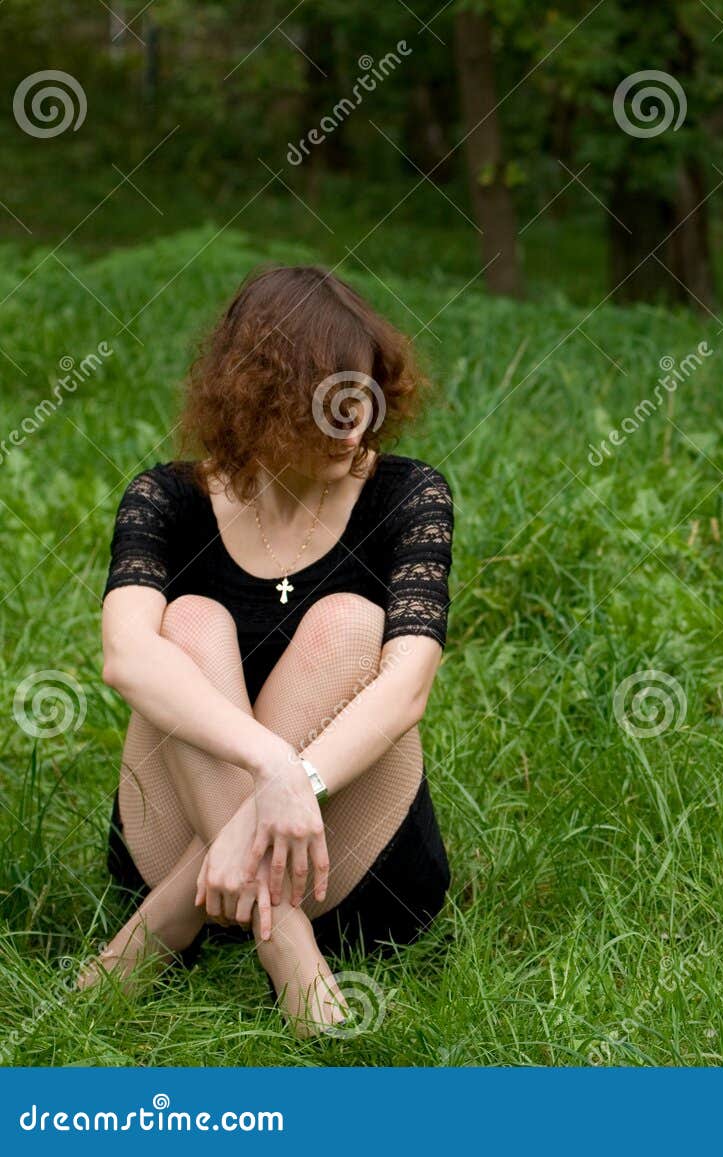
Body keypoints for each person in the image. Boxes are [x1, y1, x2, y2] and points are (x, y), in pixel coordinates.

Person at [82, 266, 453, 1036]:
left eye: (363, 396)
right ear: (256, 402)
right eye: (325, 401)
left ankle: (158, 930)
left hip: (348, 866)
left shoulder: (409, 495)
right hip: (179, 833)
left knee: (352, 622)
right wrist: (270, 766)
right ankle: (287, 945)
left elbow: (408, 685)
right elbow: (125, 657)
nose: (353, 424)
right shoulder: (168, 497)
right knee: (185, 624)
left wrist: (304, 776)